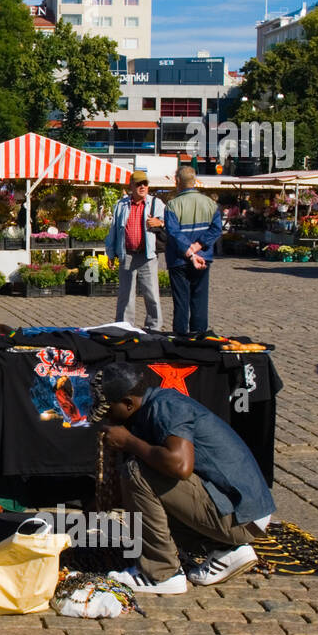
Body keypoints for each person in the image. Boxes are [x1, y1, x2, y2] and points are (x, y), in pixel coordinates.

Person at [95, 362, 275, 594]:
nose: (107, 418)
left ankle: (162, 574)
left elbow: (180, 466)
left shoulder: (166, 406)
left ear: (128, 403)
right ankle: (227, 550)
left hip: (242, 517)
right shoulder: (147, 408)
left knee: (136, 471)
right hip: (242, 514)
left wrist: (129, 442)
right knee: (140, 494)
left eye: (108, 410)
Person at [163, 165, 223, 336]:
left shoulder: (172, 206)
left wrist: (189, 251)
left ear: (178, 182)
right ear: (195, 181)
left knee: (181, 303)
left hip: (179, 260)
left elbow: (173, 234)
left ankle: (181, 341)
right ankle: (200, 339)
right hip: (204, 258)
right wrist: (198, 247)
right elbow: (216, 230)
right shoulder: (211, 204)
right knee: (200, 301)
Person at [104, 170, 165, 332]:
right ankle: (124, 327)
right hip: (127, 254)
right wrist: (110, 253)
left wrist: (159, 222)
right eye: (138, 184)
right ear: (131, 186)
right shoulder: (121, 205)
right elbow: (114, 230)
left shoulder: (155, 203)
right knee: (125, 295)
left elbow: (167, 221)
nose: (142, 186)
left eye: (145, 183)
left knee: (151, 294)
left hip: (147, 255)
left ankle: (154, 327)